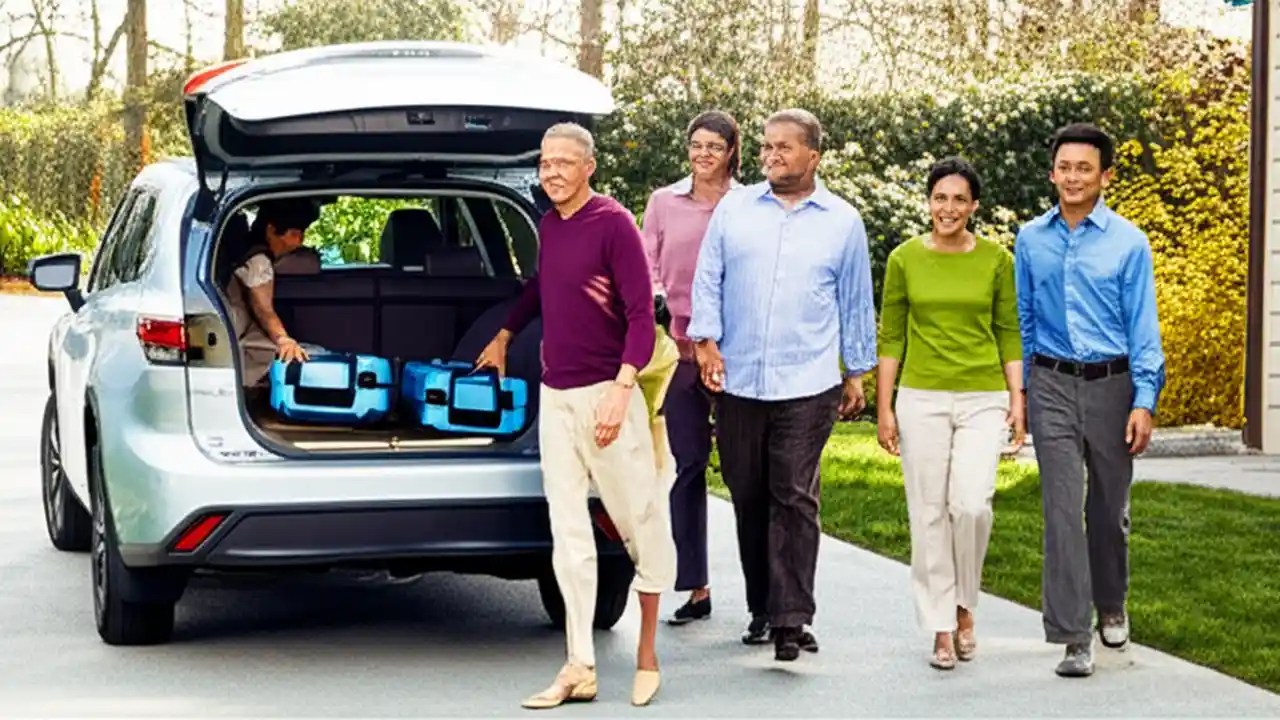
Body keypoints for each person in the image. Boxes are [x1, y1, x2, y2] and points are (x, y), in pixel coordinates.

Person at [476, 122, 677, 708]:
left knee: (640, 522)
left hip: (608, 393)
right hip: (556, 397)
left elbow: (643, 316)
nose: (552, 172)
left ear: (589, 167)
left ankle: (647, 654)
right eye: (545, 163)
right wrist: (506, 333)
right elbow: (542, 287)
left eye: (564, 162)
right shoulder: (548, 224)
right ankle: (579, 666)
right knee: (567, 533)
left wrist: (621, 388)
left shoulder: (613, 223)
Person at [687, 108, 877, 662]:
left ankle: (793, 619)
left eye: (784, 148)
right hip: (740, 378)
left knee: (793, 495)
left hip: (808, 380)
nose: (771, 156)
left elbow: (855, 300)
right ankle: (763, 608)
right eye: (766, 147)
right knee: (748, 494)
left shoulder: (843, 221)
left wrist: (856, 371)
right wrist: (706, 340)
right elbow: (709, 276)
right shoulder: (734, 210)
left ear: (813, 156)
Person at [1014, 122, 1165, 678]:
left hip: (1113, 385)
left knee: (1107, 512)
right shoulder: (1030, 239)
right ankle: (1074, 635)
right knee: (1060, 508)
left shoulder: (1129, 242)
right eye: (1064, 167)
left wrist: (1143, 399)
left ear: (1105, 176)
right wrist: (1024, 392)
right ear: (1052, 172)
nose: (1073, 177)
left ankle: (1112, 603)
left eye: (1085, 168)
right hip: (1052, 382)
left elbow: (1142, 327)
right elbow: (1025, 319)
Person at [875, 157, 1025, 670]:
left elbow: (1008, 330)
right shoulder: (903, 259)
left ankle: (966, 602)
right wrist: (885, 407)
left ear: (974, 206)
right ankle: (941, 625)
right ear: (929, 202)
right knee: (929, 512)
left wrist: (1017, 398)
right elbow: (892, 335)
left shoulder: (996, 260)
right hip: (922, 397)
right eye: (941, 198)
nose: (949, 208)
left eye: (960, 199)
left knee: (971, 504)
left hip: (985, 396)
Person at [639, 109, 743, 625]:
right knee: (688, 468)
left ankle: (766, 602)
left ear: (730, 153)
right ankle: (696, 586)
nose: (703, 155)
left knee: (749, 478)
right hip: (681, 354)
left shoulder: (749, 205)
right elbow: (647, 266)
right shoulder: (663, 202)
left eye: (713, 147)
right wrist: (660, 303)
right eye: (696, 145)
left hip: (737, 360)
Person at [224, 198, 323, 388]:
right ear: (271, 230)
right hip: (248, 347)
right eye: (294, 234)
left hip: (247, 336)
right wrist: (284, 340)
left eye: (302, 234)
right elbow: (264, 310)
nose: (299, 242)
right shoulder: (259, 262)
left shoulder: (247, 254)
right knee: (317, 356)